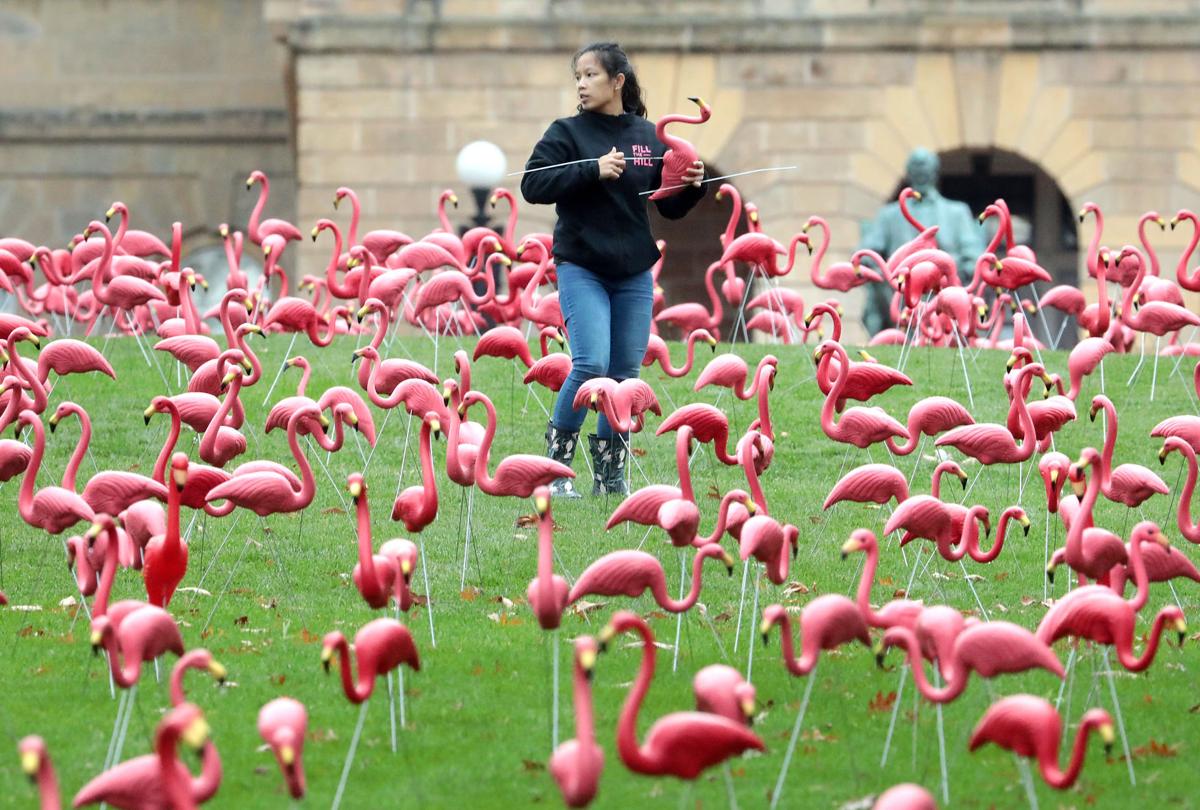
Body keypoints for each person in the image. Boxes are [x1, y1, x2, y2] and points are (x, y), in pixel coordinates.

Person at [521, 41, 707, 498]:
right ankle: (554, 472)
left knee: (625, 374)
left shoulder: (648, 137)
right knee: (590, 363)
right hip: (582, 264)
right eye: (578, 78)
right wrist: (592, 169)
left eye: (590, 75)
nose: (582, 85)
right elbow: (532, 184)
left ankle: (610, 478)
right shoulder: (566, 133)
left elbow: (670, 207)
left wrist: (692, 187)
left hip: (633, 272)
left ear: (617, 81)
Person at [859, 148, 985, 336]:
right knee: (888, 279)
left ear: (935, 173)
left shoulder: (957, 212)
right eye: (917, 172)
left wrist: (953, 268)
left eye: (925, 171)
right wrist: (872, 264)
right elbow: (866, 251)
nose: (921, 176)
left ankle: (943, 330)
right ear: (909, 174)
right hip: (901, 283)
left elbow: (973, 254)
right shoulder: (889, 215)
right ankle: (904, 333)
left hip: (946, 280)